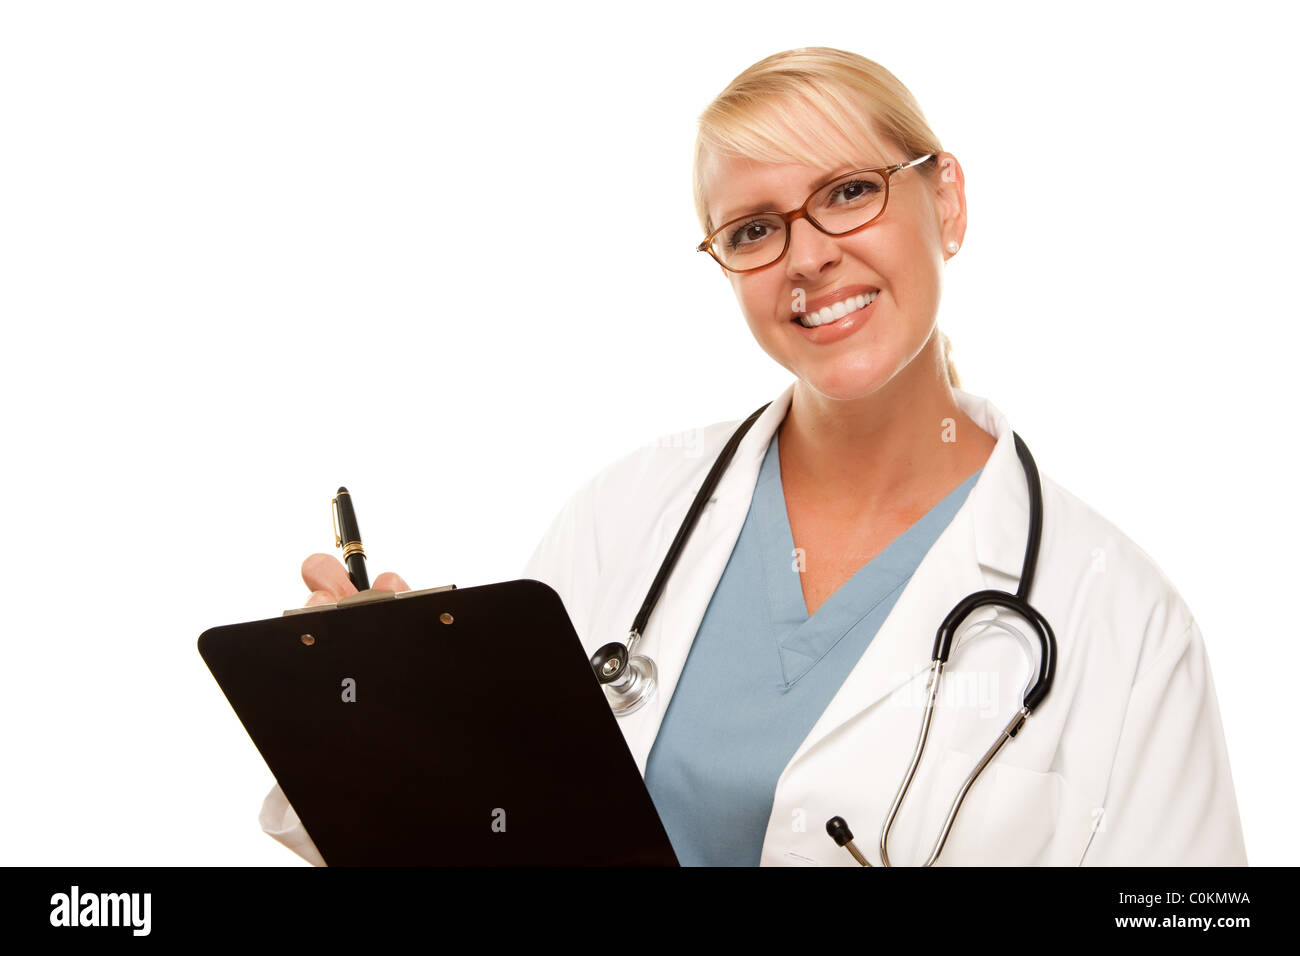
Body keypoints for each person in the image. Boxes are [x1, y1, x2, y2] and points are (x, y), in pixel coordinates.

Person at [263, 47, 1247, 866]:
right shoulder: (626, 514)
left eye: (850, 192)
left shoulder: (1122, 618)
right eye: (754, 229)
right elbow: (490, 835)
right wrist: (378, 714)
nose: (808, 255)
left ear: (944, 200)